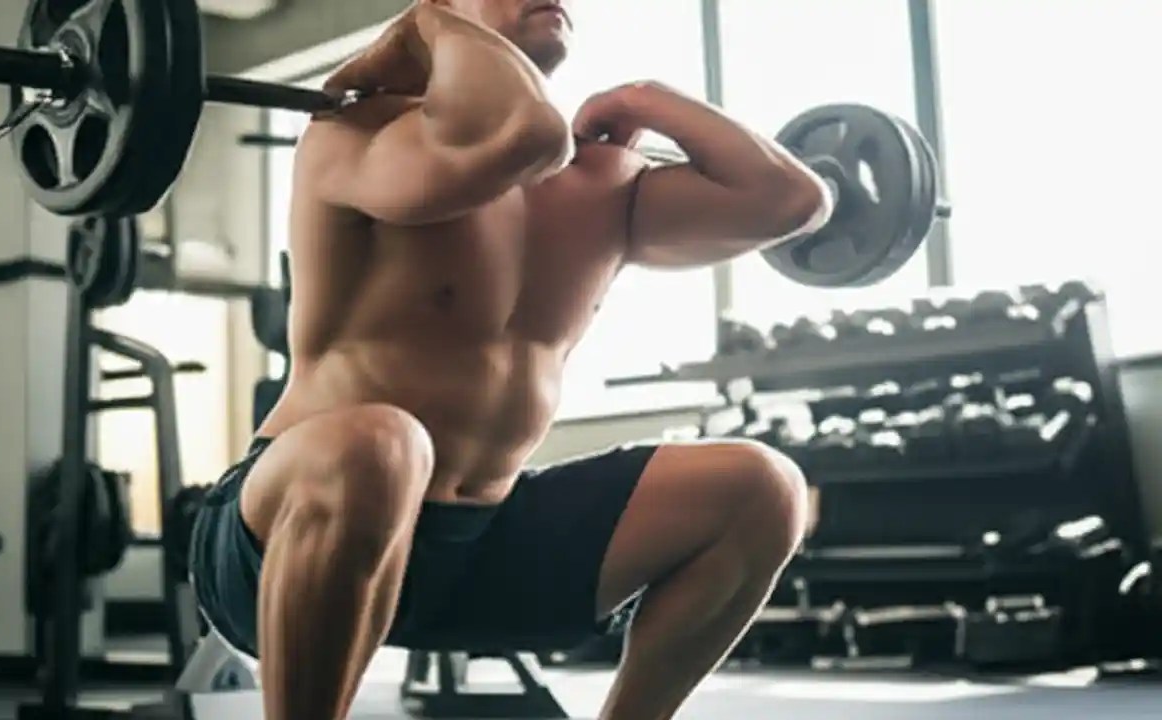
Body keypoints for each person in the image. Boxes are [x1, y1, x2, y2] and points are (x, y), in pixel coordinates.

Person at [189, 1, 832, 718]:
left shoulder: (603, 184)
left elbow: (792, 201)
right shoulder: (360, 130)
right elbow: (523, 135)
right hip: (282, 538)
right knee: (383, 442)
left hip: (478, 547)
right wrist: (424, 30)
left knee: (762, 486)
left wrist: (643, 99)